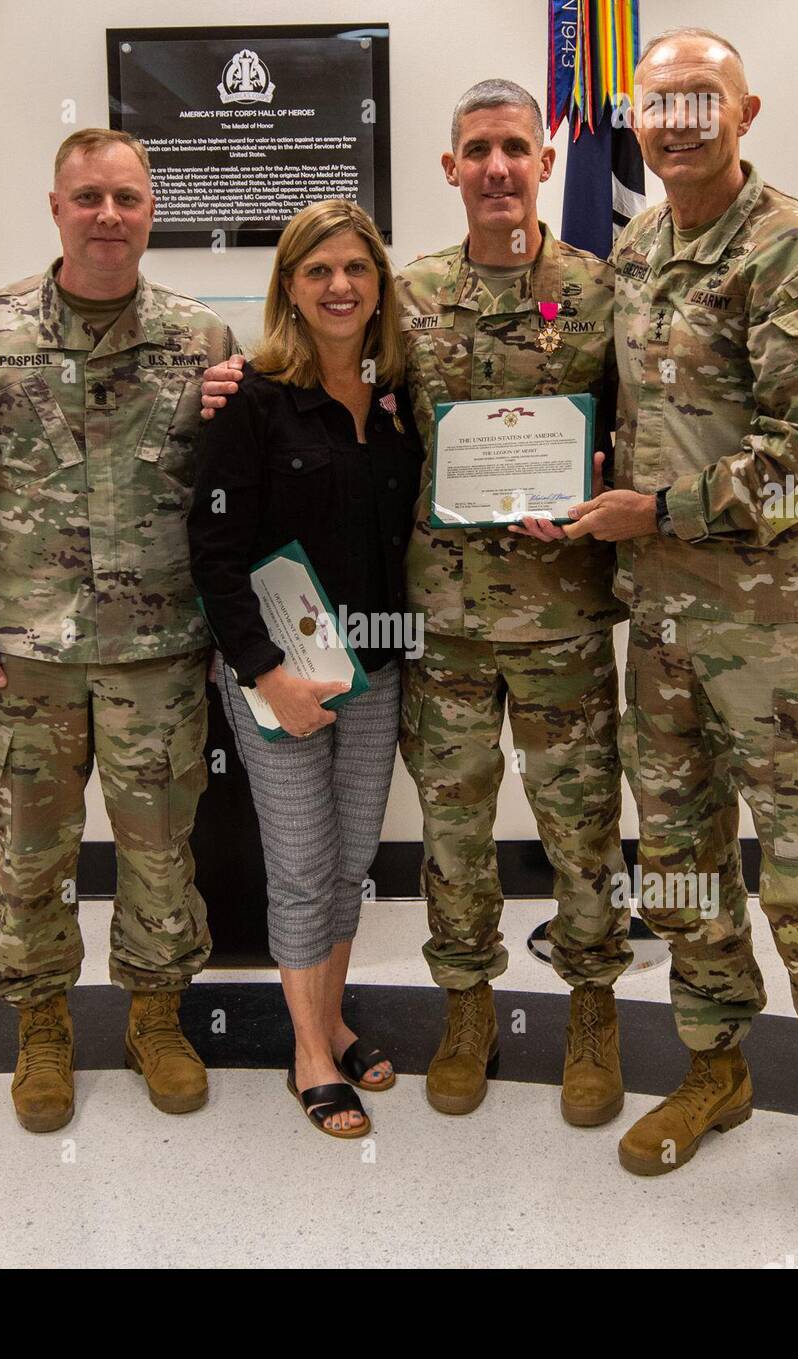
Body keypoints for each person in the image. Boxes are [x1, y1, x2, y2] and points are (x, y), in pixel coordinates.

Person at [203, 80, 632, 1127]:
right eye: (476, 149)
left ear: (543, 158)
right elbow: (317, 393)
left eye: (514, 149)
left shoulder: (601, 292)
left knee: (580, 833)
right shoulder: (414, 300)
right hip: (435, 630)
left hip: (561, 619)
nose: (496, 168)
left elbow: (630, 429)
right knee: (451, 838)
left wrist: (602, 487)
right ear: (449, 169)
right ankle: (468, 1013)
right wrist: (225, 386)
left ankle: (589, 1020)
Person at [562, 28, 798, 1257]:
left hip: (778, 637)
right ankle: (713, 1064)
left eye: (702, 100)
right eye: (658, 104)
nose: (679, 121)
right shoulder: (640, 248)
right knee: (683, 862)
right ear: (635, 120)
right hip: (659, 623)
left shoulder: (792, 248)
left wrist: (656, 507)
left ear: (745, 109)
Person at [0, 128, 235, 1133]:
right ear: (55, 208)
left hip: (158, 654)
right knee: (31, 858)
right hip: (22, 660)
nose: (108, 216)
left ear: (151, 211)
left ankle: (156, 1016)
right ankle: (41, 1024)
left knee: (163, 854)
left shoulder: (200, 340)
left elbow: (235, 497)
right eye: (88, 197)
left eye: (126, 198)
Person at [189, 200, 422, 1139]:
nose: (340, 286)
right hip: (276, 672)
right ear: (290, 284)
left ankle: (331, 1013)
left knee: (353, 858)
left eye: (356, 270)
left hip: (376, 664)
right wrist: (264, 673)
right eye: (319, 270)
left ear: (379, 287)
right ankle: (311, 1055)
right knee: (301, 861)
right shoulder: (249, 398)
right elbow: (212, 550)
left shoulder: (400, 399)